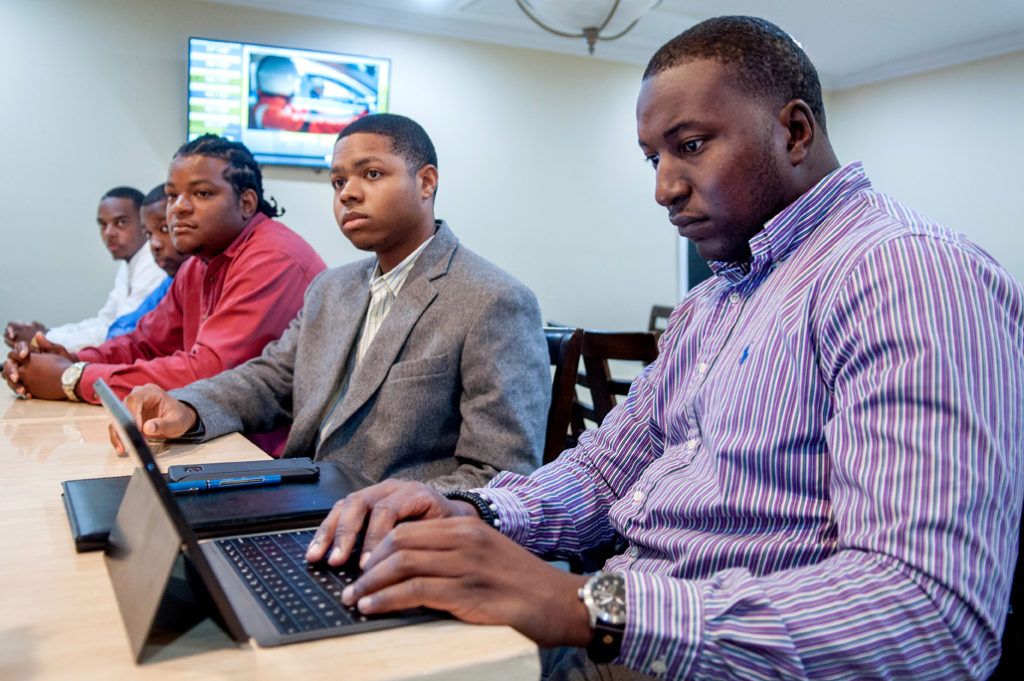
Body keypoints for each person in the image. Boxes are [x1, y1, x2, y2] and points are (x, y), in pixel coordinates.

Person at [303, 17, 1024, 680]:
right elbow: (607, 470)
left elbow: (930, 612)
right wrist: (477, 512)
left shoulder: (906, 274)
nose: (663, 187)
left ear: (795, 133)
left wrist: (591, 605)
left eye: (690, 146)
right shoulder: (716, 299)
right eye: (653, 157)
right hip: (628, 626)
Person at [109, 114, 549, 490]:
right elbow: (271, 380)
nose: (347, 193)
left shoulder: (494, 300)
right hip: (299, 499)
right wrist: (187, 407)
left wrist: (398, 508)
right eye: (338, 180)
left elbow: (500, 475)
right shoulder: (331, 288)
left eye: (371, 174)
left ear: (426, 182)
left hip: (397, 539)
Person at [3, 135, 326, 456]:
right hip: (214, 440)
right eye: (173, 195)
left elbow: (208, 371)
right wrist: (73, 358)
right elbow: (145, 341)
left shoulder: (272, 257)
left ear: (246, 202)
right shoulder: (199, 263)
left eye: (201, 193)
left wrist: (72, 378)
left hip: (268, 457)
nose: (179, 209)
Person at [4, 186, 166, 352]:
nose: (109, 233)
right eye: (103, 225)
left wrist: (44, 338)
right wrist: (47, 333)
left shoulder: (156, 262)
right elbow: (105, 321)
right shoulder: (130, 263)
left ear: (144, 222)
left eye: (121, 222)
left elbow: (121, 334)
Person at [105, 184, 190, 339]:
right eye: (148, 234)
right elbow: (127, 327)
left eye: (165, 229)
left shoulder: (192, 275)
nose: (154, 245)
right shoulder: (170, 283)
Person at [251, 55, 356, 135]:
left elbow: (311, 114)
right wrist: (355, 124)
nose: (296, 85)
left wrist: (352, 118)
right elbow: (317, 125)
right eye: (295, 80)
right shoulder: (270, 113)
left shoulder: (275, 107)